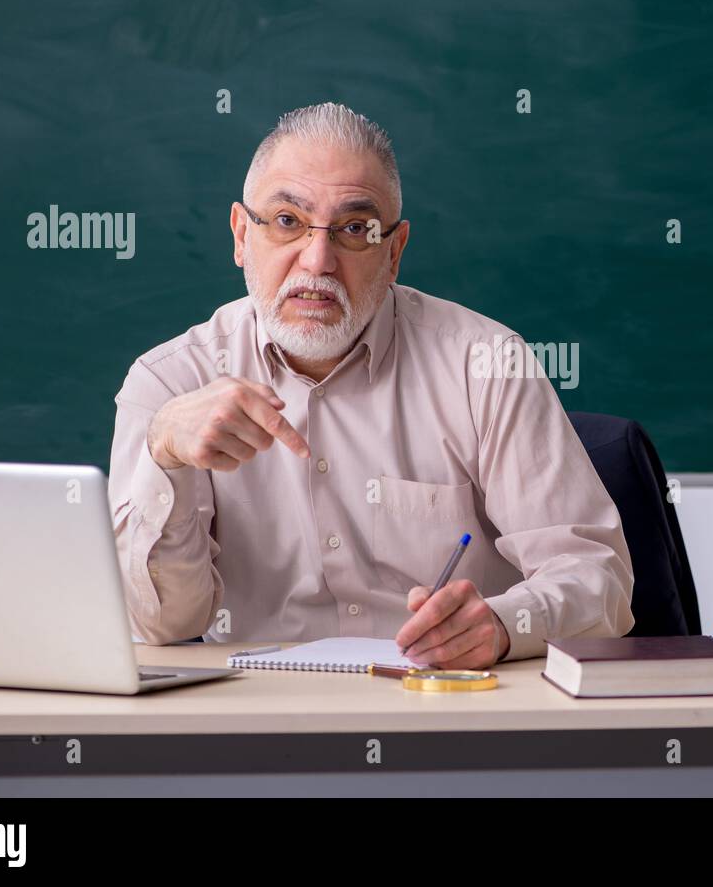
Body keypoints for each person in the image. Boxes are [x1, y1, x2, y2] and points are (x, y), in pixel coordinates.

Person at [108, 102, 634, 669]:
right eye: (287, 221)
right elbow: (161, 623)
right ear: (241, 234)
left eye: (355, 229)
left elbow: (596, 579)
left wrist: (503, 626)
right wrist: (168, 458)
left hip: (448, 706)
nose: (318, 260)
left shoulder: (488, 364)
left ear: (395, 251)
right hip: (259, 713)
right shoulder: (168, 382)